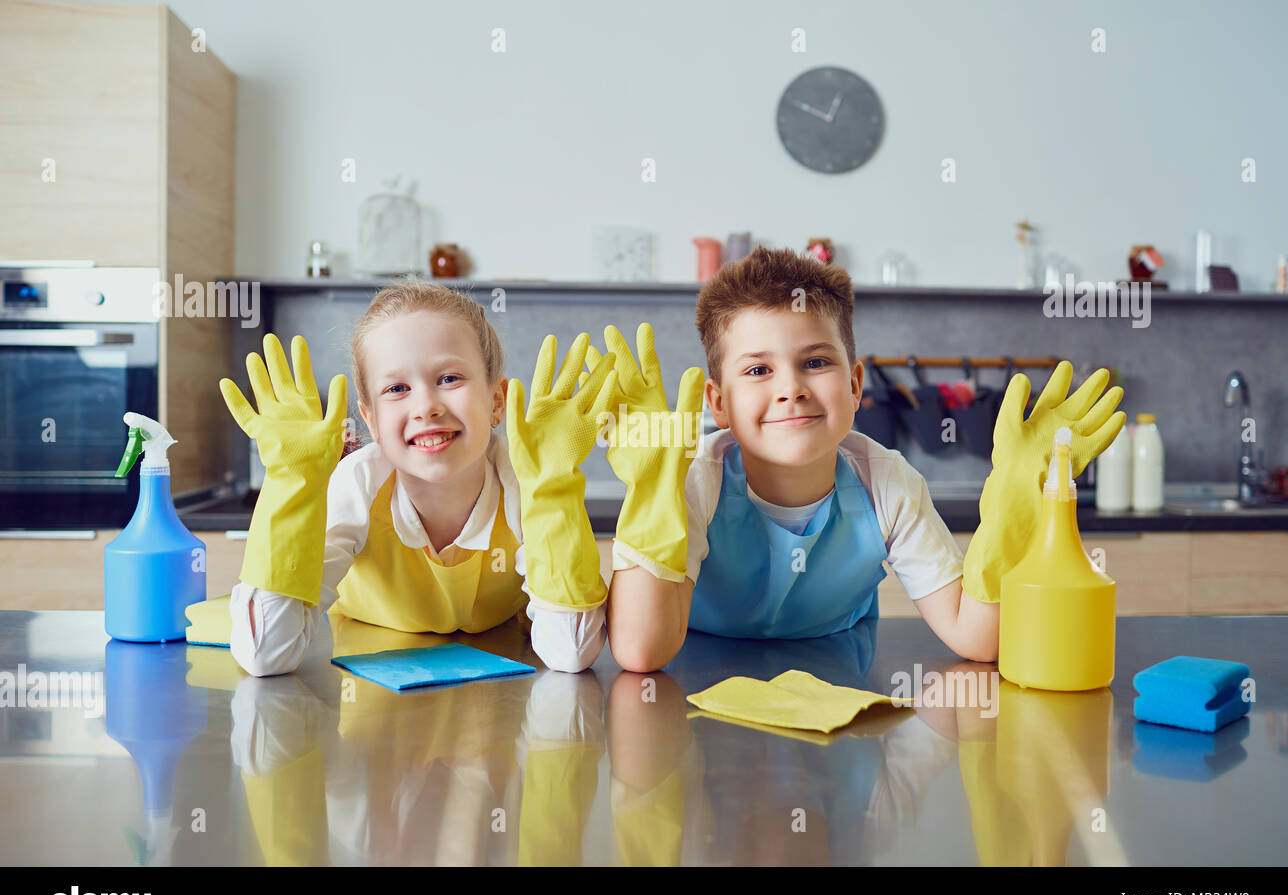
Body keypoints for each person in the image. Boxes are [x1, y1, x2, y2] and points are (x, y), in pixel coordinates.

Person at [600, 247, 1125, 671]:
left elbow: (977, 639)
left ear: (854, 386)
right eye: (758, 371)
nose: (792, 389)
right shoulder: (692, 482)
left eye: (815, 362)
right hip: (692, 701)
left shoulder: (887, 482)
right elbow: (641, 653)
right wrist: (651, 493)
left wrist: (1018, 497)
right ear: (719, 405)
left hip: (842, 698)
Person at [213, 279, 618, 676]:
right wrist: (290, 480)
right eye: (397, 388)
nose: (426, 406)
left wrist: (552, 487)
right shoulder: (357, 483)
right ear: (370, 420)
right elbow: (264, 654)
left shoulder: (526, 482)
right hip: (364, 702)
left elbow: (571, 652)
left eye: (449, 379)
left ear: (497, 402)